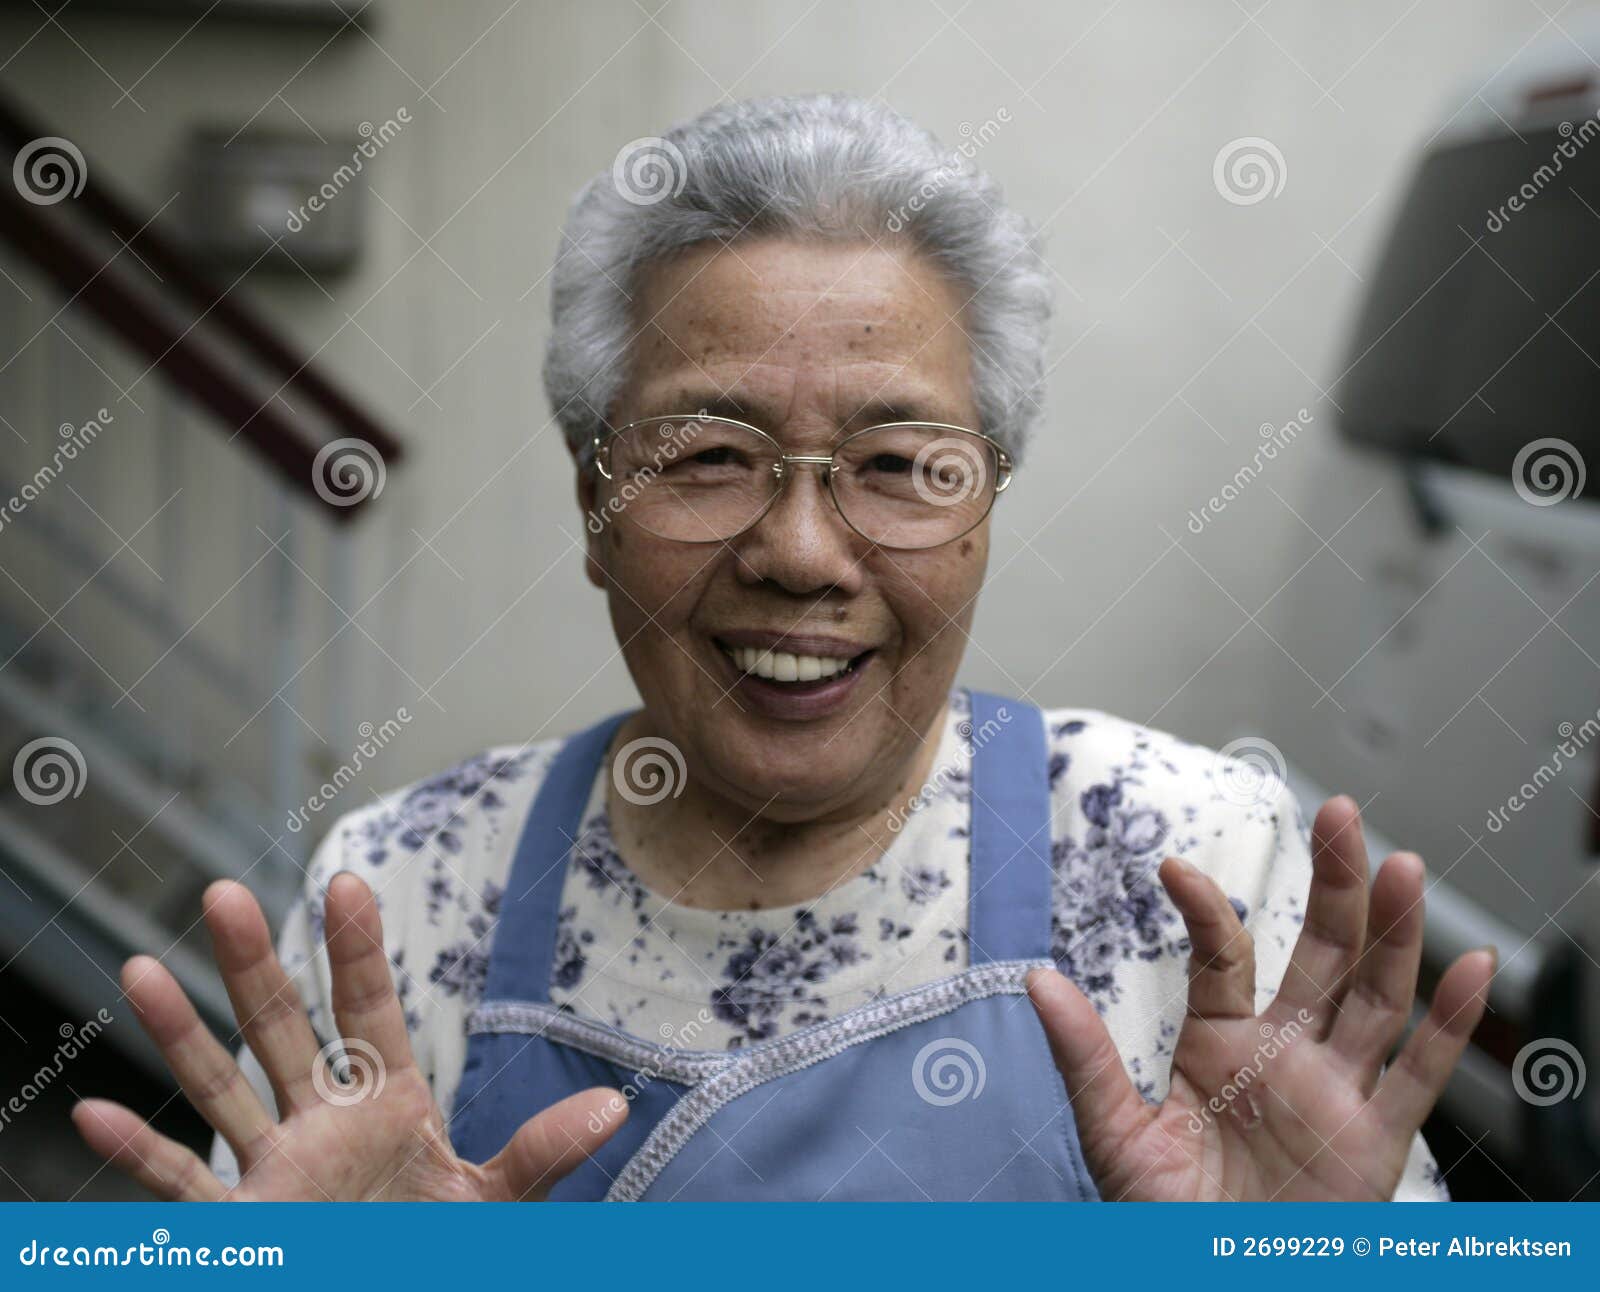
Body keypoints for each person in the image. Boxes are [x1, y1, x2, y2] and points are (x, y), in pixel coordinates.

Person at [70, 93, 1492, 1202]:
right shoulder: (404, 898)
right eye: (707, 456)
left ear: (985, 503)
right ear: (594, 505)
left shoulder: (1193, 869)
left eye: (895, 462)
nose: (803, 555)